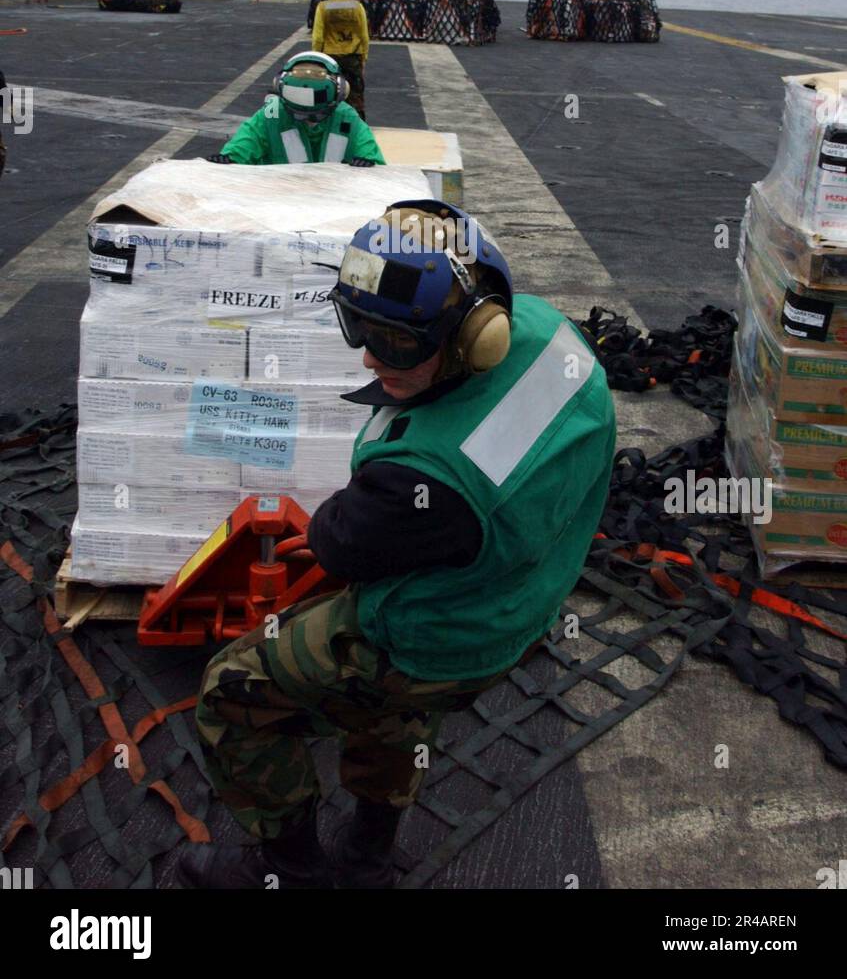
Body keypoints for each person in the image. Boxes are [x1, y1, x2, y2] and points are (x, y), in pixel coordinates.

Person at [176, 201, 617, 891]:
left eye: (398, 343)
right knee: (392, 708)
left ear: (476, 337)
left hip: (437, 634)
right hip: (515, 603)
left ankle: (286, 865)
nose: (369, 356)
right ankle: (368, 856)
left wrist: (332, 529)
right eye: (356, 325)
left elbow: (340, 544)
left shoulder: (420, 484)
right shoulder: (548, 334)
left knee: (231, 692)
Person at [208, 52, 384, 167]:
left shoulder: (346, 117)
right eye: (300, 115)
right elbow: (248, 140)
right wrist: (230, 157)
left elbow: (369, 153)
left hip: (329, 201)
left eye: (315, 116)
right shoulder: (272, 114)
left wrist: (368, 162)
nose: (307, 120)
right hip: (282, 200)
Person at [311, 0, 370, 120]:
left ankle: (327, 122)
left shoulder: (323, 7)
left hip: (329, 57)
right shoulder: (357, 7)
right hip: (353, 56)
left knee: (328, 93)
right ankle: (358, 125)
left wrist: (316, 57)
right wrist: (364, 58)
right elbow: (364, 35)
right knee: (356, 95)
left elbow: (318, 37)